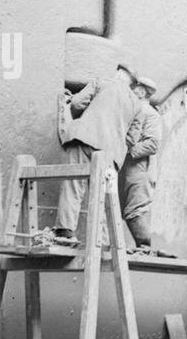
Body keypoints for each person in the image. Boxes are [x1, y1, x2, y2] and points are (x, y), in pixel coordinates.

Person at [55, 63, 147, 243]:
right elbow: (132, 139)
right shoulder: (137, 105)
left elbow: (77, 102)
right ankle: (103, 241)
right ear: (132, 83)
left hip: (84, 138)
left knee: (74, 185)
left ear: (118, 73)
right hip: (111, 155)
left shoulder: (102, 82)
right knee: (105, 197)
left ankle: (65, 232)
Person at [120, 76, 160, 251]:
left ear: (142, 92)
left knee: (135, 208)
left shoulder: (150, 114)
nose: (132, 90)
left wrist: (127, 151)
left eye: (134, 88)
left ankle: (144, 248)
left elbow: (152, 144)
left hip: (136, 167)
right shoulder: (133, 110)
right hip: (124, 167)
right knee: (122, 206)